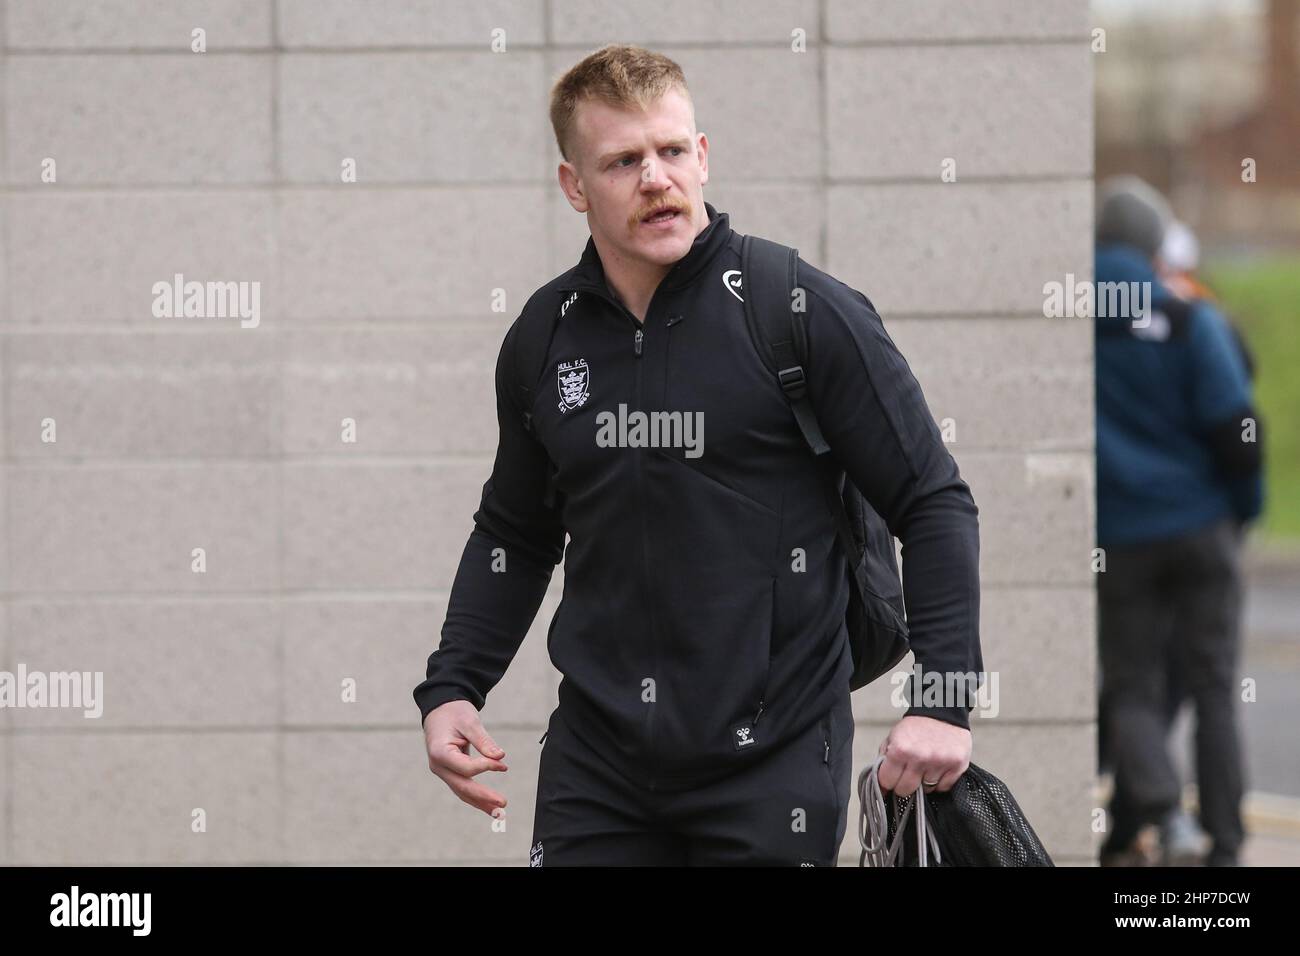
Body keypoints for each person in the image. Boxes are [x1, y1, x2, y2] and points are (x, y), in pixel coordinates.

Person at [414, 43, 983, 866]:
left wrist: (945, 699)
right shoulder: (544, 338)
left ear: (703, 157)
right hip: (597, 768)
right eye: (622, 161)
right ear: (575, 185)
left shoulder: (797, 311)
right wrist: (454, 686)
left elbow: (932, 500)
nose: (655, 177)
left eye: (672, 151)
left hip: (774, 760)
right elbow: (515, 532)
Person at [1094, 176, 1264, 868]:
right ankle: (1223, 842)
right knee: (1213, 687)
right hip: (1201, 530)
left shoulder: (1075, 318)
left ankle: (1164, 818)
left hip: (1122, 538)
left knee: (1132, 685)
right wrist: (1242, 511)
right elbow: (1238, 424)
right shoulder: (1189, 317)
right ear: (1152, 247)